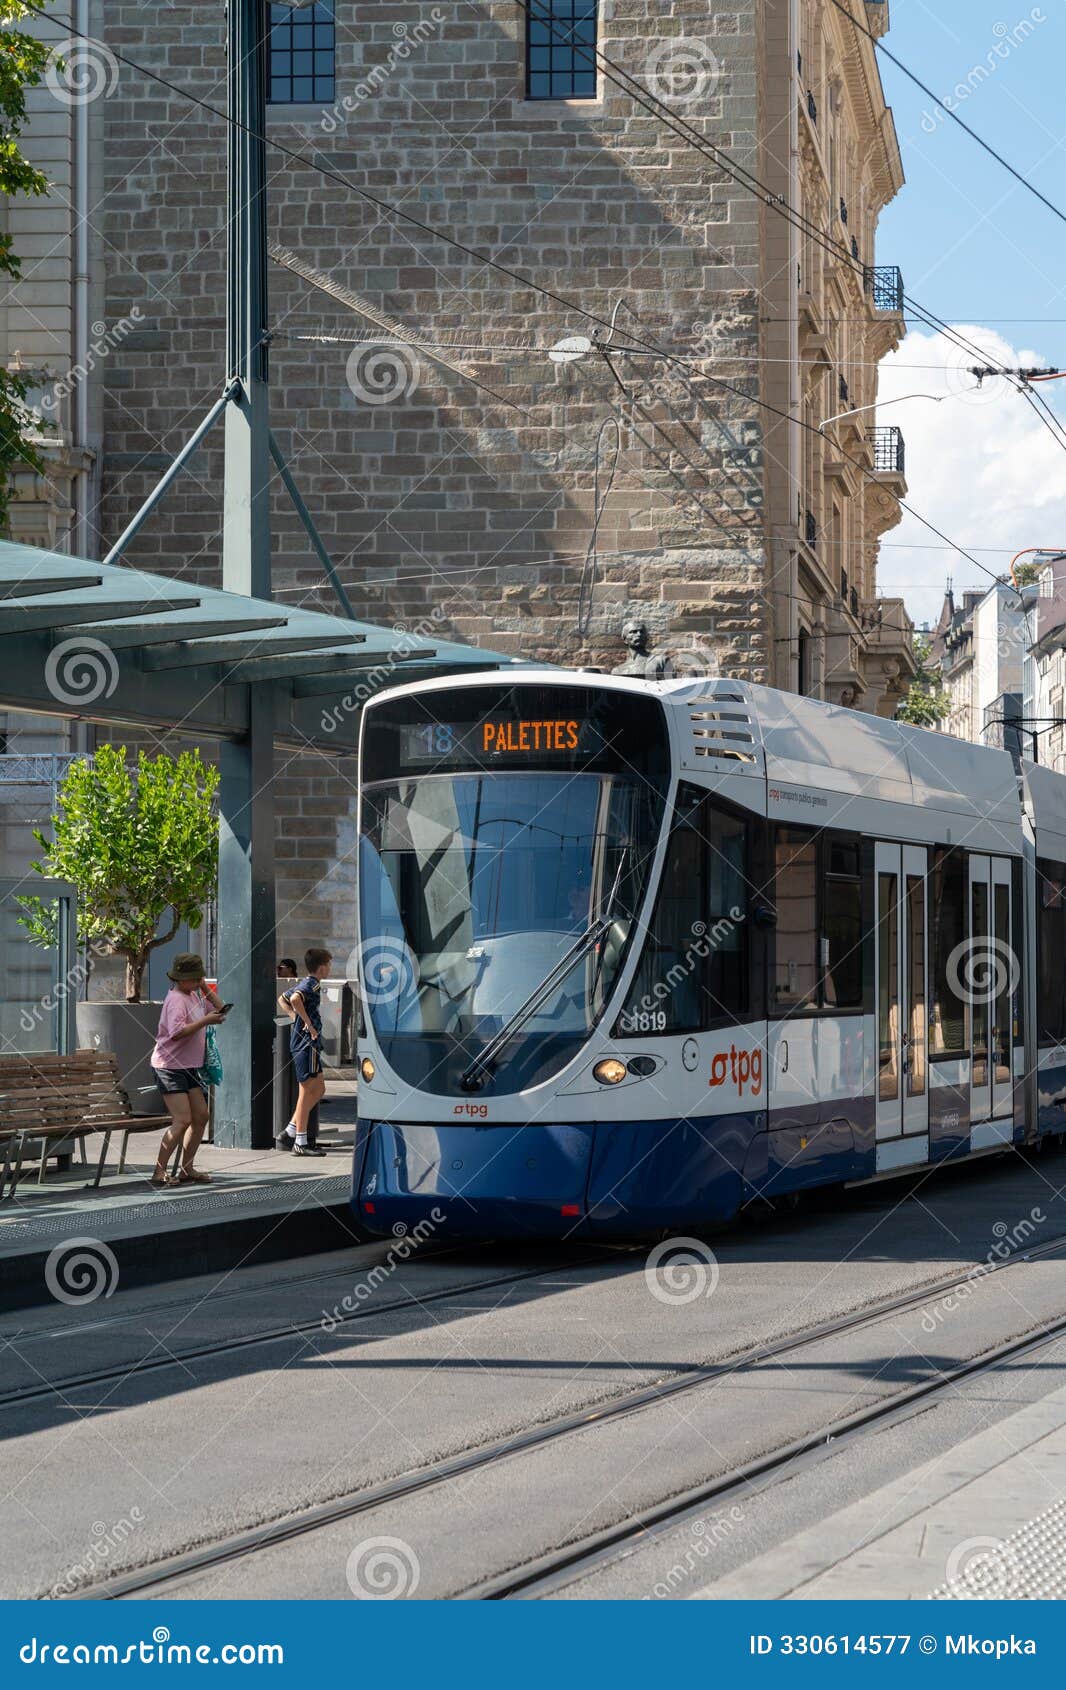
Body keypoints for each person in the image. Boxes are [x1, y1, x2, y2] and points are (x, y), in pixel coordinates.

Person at [150, 953, 227, 1187]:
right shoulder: (176, 999)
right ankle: (159, 1171)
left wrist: (204, 988)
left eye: (199, 978)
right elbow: (176, 1032)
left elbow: (221, 1008)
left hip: (189, 1065)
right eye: (194, 979)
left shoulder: (194, 994)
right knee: (182, 1119)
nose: (197, 982)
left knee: (201, 1116)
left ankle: (187, 1168)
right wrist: (205, 1021)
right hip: (169, 1066)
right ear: (181, 979)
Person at [277, 946, 332, 1156]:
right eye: (328, 965)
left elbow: (283, 998)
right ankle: (300, 1141)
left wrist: (295, 1018)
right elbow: (293, 999)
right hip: (306, 1044)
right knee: (307, 1090)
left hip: (309, 1044)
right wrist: (307, 1023)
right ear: (321, 967)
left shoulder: (306, 983)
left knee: (319, 1089)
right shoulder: (312, 985)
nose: (329, 969)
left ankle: (290, 1130)